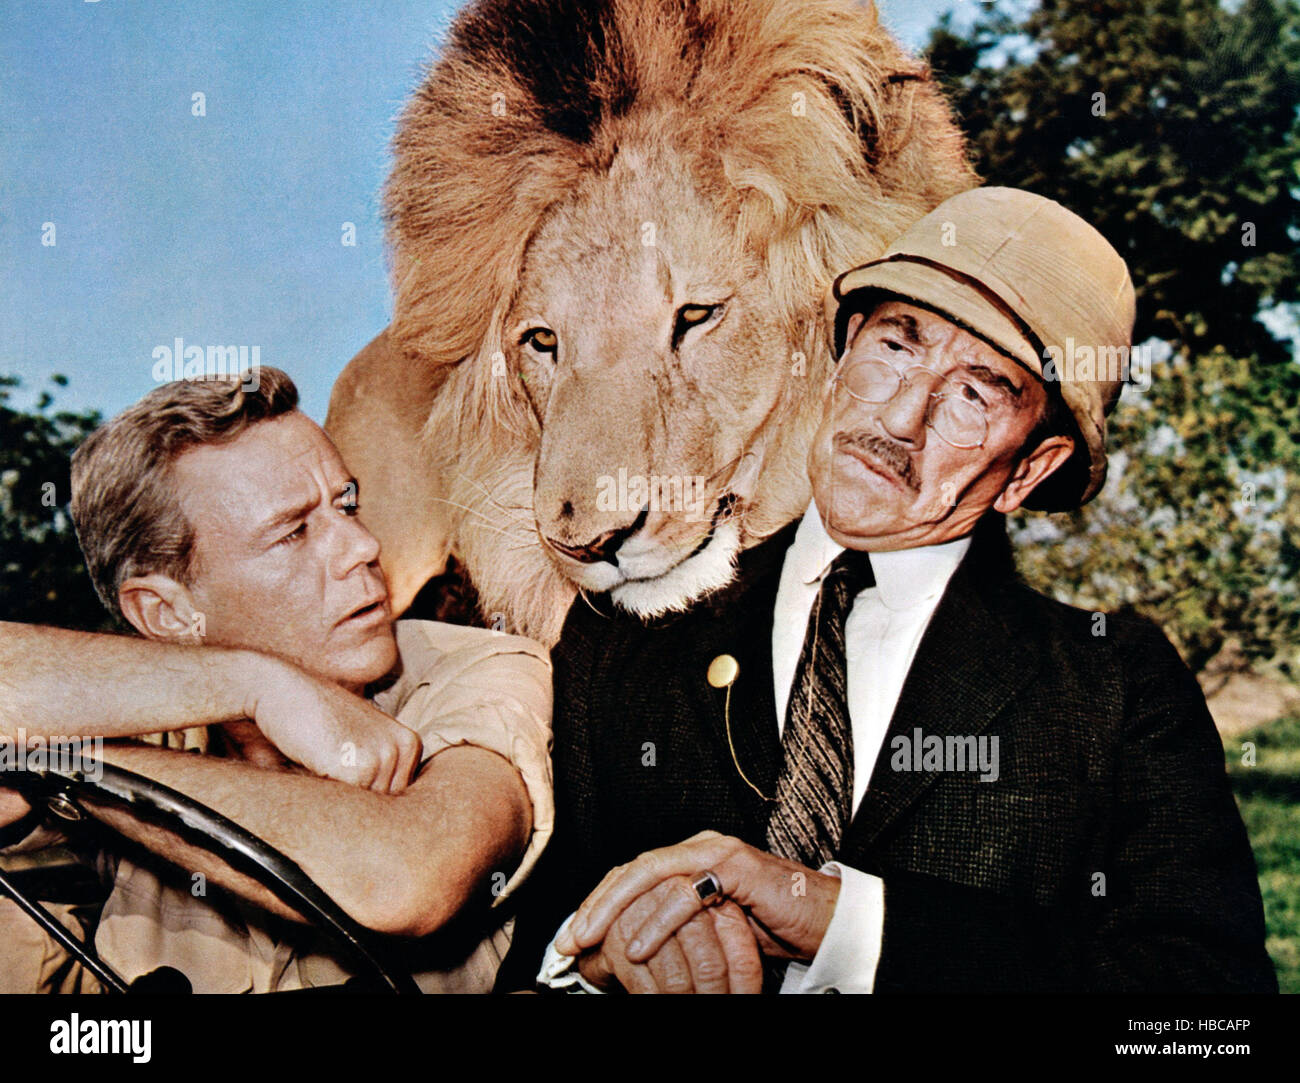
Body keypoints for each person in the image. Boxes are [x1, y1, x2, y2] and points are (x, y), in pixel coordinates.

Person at [501, 186, 1276, 994]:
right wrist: (590, 964)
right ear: (842, 353)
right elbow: (533, 967)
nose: (901, 416)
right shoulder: (622, 641)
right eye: (895, 347)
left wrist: (847, 924)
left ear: (1030, 469)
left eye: (975, 394)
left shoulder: (1118, 688)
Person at [0, 367, 553, 993]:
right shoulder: (157, 733)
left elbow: (402, 879)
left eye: (347, 505)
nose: (363, 547)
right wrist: (255, 683)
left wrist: (78, 767)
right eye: (293, 532)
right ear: (171, 614)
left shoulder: (474, 667)